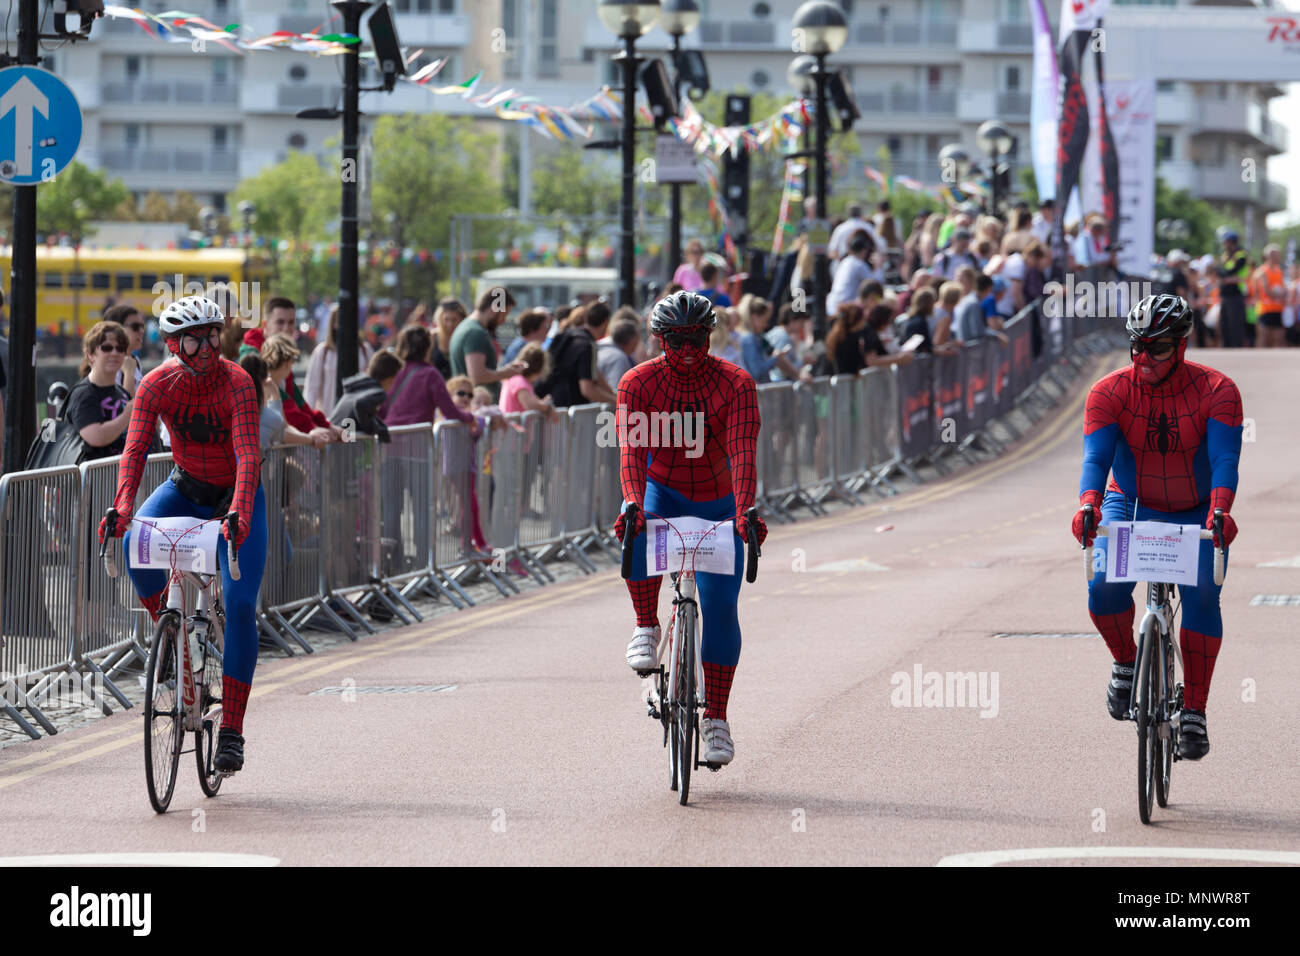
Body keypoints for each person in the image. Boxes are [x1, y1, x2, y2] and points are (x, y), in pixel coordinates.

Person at [99, 296, 266, 774]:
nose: (209, 344)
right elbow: (133, 451)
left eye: (214, 333)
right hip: (184, 487)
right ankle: (170, 640)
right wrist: (122, 506)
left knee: (237, 606)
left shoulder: (237, 382)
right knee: (133, 544)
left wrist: (238, 511)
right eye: (196, 337)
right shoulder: (155, 385)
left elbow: (248, 454)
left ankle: (231, 729)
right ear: (173, 344)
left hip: (238, 492)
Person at [1072, 294, 1243, 760]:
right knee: (1103, 586)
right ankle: (1126, 662)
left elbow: (1225, 460)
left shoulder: (1217, 390)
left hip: (1195, 510)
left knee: (1204, 594)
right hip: (1130, 503)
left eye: (1158, 348)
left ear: (1182, 346)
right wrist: (1088, 504)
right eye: (1136, 347)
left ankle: (1195, 710)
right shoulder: (1107, 392)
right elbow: (1096, 459)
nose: (1144, 358)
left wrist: (1220, 510)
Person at [615, 291, 766, 767]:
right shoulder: (635, 383)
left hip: (720, 499)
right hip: (663, 491)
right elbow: (631, 456)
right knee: (634, 525)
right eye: (676, 338)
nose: (686, 348)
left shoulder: (737, 383)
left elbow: (743, 453)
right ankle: (645, 623)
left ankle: (716, 719)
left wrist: (744, 511)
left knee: (721, 607)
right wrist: (634, 504)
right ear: (659, 338)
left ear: (709, 334)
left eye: (696, 337)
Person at [380, 324, 479, 433]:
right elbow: (449, 411)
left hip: (390, 436)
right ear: (428, 347)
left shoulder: (393, 372)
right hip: (417, 438)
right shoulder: (430, 374)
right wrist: (470, 417)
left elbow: (381, 409)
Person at [67, 321, 134, 461]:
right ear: (90, 354)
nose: (115, 353)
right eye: (107, 348)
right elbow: (96, 436)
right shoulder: (83, 393)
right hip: (91, 480)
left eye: (120, 348)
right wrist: (127, 415)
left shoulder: (123, 394)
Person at [535, 301, 616, 407]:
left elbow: (595, 373)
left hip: (550, 404)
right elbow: (587, 390)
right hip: (567, 409)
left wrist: (614, 396)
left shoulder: (567, 335)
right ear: (606, 322)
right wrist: (617, 402)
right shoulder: (587, 344)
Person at [237, 352, 322, 451]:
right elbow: (284, 431)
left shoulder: (231, 410)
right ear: (266, 380)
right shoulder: (271, 418)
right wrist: (313, 439)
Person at [450, 287, 524, 402]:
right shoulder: (475, 333)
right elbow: (477, 375)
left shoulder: (467, 327)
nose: (503, 321)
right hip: (479, 408)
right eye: (503, 315)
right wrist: (506, 373)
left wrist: (505, 371)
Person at [305, 304, 374, 413]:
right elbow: (311, 389)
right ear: (334, 323)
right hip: (329, 417)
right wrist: (308, 419)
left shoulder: (365, 350)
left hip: (359, 417)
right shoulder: (323, 352)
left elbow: (373, 385)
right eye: (342, 320)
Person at [327, 348, 403, 442]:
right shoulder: (377, 392)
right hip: (346, 443)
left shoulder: (357, 387)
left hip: (334, 438)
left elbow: (367, 413)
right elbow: (360, 405)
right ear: (389, 380)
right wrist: (375, 430)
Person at [827, 233, 878, 316]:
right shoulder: (859, 264)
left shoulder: (844, 262)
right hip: (845, 308)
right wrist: (877, 267)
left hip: (831, 305)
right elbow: (875, 284)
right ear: (864, 251)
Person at [501, 343, 558, 417]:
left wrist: (544, 403)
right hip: (514, 427)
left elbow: (535, 402)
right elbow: (530, 405)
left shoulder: (517, 379)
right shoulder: (518, 380)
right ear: (539, 368)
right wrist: (547, 406)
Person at [1215, 231, 1249, 349]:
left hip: (1235, 295)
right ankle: (1227, 349)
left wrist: (1224, 276)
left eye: (1226, 242)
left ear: (1231, 241)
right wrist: (1225, 276)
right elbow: (1219, 271)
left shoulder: (1240, 255)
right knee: (1224, 324)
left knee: (1235, 325)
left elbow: (1232, 270)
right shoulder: (1225, 255)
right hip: (1225, 295)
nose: (1224, 244)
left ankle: (1236, 350)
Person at [104, 304, 146, 398]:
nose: (141, 331)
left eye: (142, 326)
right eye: (135, 327)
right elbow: (124, 405)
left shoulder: (135, 361)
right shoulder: (107, 363)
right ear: (117, 329)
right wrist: (128, 374)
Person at [1251, 244, 1287, 349]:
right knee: (1264, 338)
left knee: (1278, 338)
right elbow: (1267, 292)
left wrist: (1282, 295)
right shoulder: (1262, 271)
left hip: (1277, 308)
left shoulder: (1279, 271)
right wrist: (1280, 295)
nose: (1276, 257)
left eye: (1277, 254)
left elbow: (1283, 289)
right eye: (1273, 255)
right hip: (1265, 309)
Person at [597, 318, 640, 391]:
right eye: (635, 343)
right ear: (630, 341)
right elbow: (618, 391)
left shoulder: (599, 345)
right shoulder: (619, 358)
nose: (635, 349)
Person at [431, 297, 467, 378]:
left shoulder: (465, 338)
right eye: (446, 320)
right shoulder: (432, 337)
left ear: (462, 320)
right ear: (440, 319)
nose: (450, 324)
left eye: (454, 320)